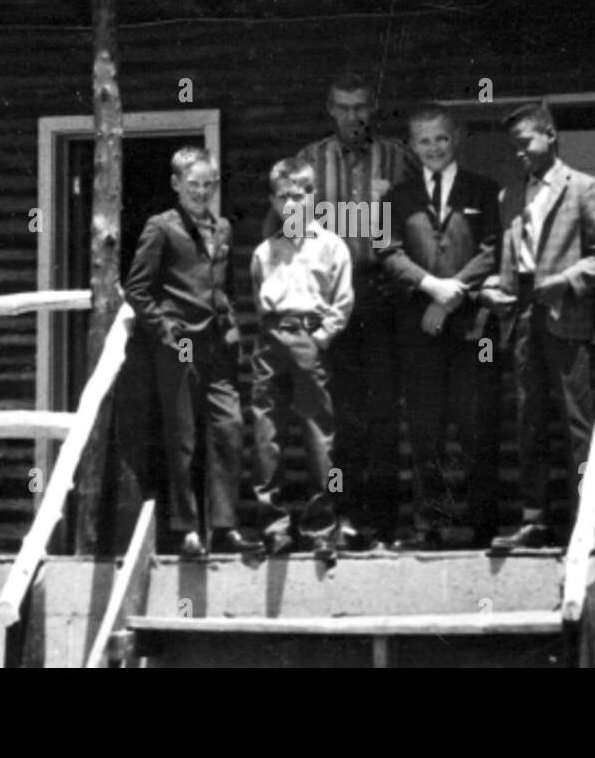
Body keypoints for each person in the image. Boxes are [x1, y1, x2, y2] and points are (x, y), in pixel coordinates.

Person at [481, 103, 595, 550]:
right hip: (522, 317)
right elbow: (509, 257)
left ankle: (587, 524)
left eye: (526, 143)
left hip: (564, 317)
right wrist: (495, 291)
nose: (519, 153)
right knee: (529, 421)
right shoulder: (511, 196)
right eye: (514, 147)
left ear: (550, 136)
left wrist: (564, 282)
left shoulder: (583, 188)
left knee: (576, 422)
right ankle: (534, 521)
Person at [295, 72, 418, 549]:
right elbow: (292, 231)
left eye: (361, 107)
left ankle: (384, 522)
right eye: (344, 107)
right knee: (341, 414)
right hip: (331, 297)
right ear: (330, 108)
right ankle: (343, 516)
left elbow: (417, 225)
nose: (353, 117)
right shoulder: (309, 161)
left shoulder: (398, 158)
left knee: (385, 411)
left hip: (385, 293)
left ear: (373, 108)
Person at [124, 147, 261, 559]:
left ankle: (223, 526)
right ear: (176, 185)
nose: (201, 192)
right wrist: (167, 333)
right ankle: (186, 531)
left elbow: (227, 287)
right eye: (193, 185)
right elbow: (137, 289)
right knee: (182, 435)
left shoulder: (222, 229)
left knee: (229, 429)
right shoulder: (161, 227)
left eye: (208, 185)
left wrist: (233, 323)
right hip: (180, 342)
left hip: (218, 344)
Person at [380, 106, 502, 549]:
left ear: (456, 140)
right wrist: (431, 286)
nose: (433, 148)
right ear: (412, 147)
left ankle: (480, 526)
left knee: (475, 426)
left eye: (441, 139)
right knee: (425, 429)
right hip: (420, 331)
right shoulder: (396, 197)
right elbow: (388, 252)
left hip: (473, 330)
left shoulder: (485, 190)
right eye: (424, 141)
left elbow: (492, 250)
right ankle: (427, 526)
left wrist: (454, 295)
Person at [249, 158, 354, 562]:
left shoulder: (332, 246)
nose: (292, 203)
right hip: (271, 338)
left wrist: (322, 338)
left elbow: (342, 301)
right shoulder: (264, 251)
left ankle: (321, 527)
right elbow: (259, 299)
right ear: (273, 202)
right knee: (266, 433)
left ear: (313, 197)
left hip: (311, 338)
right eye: (283, 197)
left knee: (319, 434)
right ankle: (274, 527)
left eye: (299, 195)